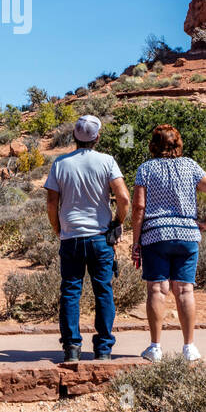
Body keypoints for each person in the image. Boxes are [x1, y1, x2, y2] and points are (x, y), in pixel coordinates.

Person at [130, 123, 206, 362]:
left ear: (153, 145)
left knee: (157, 290)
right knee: (185, 290)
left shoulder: (146, 169)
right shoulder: (190, 165)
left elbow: (139, 206)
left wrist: (136, 240)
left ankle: (155, 347)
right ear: (177, 144)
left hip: (156, 235)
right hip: (187, 234)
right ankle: (189, 346)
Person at [44, 114, 130, 362]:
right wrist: (117, 222)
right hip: (100, 237)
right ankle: (103, 348)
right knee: (103, 290)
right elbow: (123, 198)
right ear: (97, 137)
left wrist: (57, 227)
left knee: (71, 291)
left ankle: (72, 347)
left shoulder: (60, 163)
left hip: (71, 237)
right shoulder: (107, 161)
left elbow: (51, 202)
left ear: (74, 136)